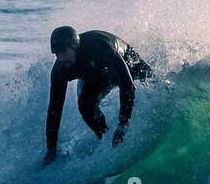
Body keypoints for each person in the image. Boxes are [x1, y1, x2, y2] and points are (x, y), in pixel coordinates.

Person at [45, 26, 153, 164]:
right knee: (85, 105)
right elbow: (54, 111)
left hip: (126, 60)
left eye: (63, 51)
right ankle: (106, 139)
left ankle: (123, 131)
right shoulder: (60, 70)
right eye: (56, 54)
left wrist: (123, 124)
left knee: (153, 82)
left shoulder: (101, 47)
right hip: (97, 74)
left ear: (75, 47)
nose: (60, 58)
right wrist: (51, 150)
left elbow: (127, 85)